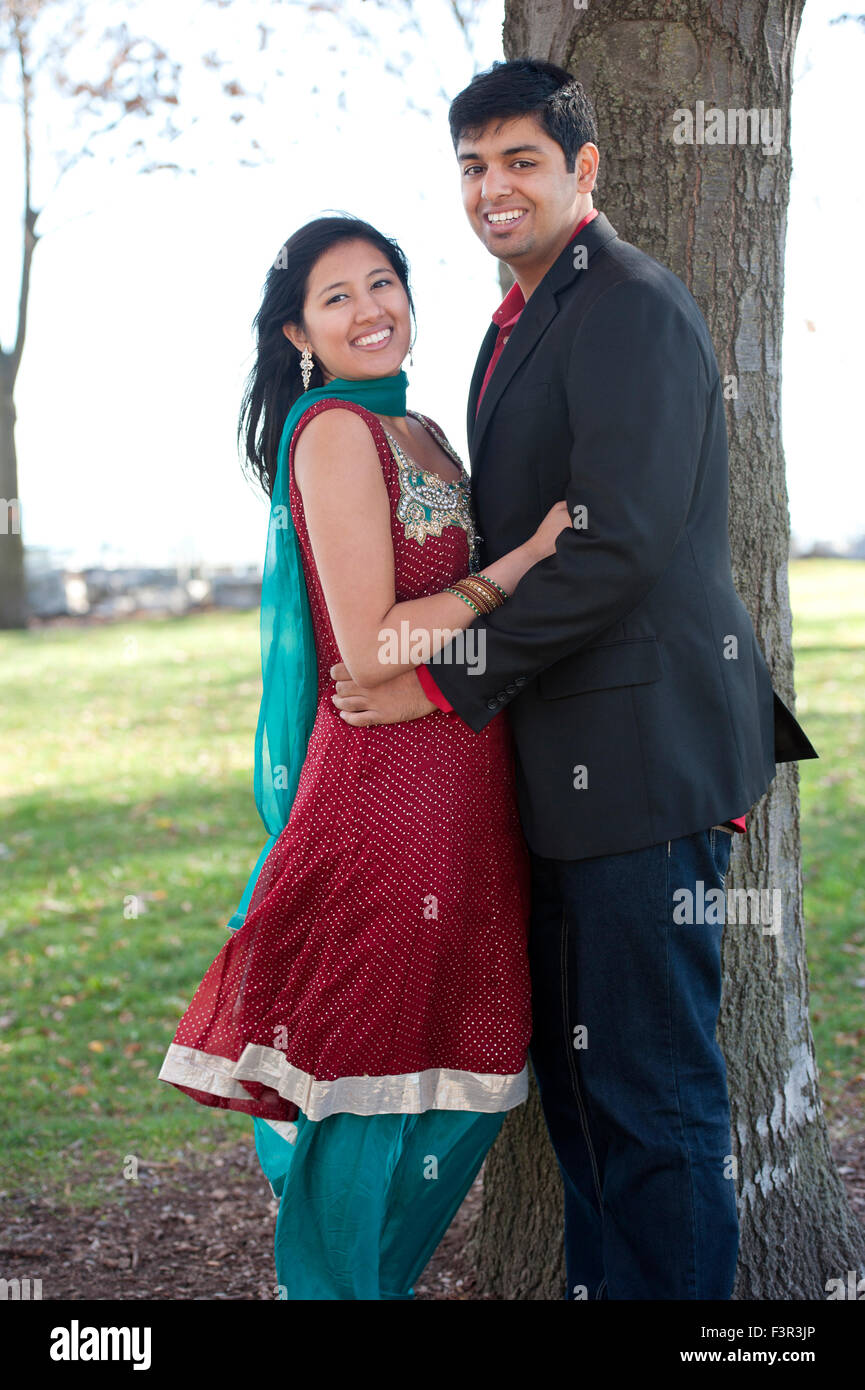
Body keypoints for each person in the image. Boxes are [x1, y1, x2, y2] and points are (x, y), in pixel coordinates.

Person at [330, 60, 819, 1300]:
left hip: (645, 772)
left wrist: (443, 681)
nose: (492, 188)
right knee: (592, 1114)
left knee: (649, 1109)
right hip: (565, 777)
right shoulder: (521, 317)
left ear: (582, 170)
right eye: (473, 167)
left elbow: (614, 538)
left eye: (519, 161)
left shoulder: (630, 305)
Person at [157, 214, 571, 1300]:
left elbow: (413, 642)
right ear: (300, 331)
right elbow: (378, 638)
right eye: (336, 296)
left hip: (468, 786)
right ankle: (332, 1288)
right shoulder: (333, 429)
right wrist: (520, 563)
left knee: (469, 1065)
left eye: (382, 281)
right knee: (368, 1068)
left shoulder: (427, 429)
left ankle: (364, 1285)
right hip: (384, 795)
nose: (369, 308)